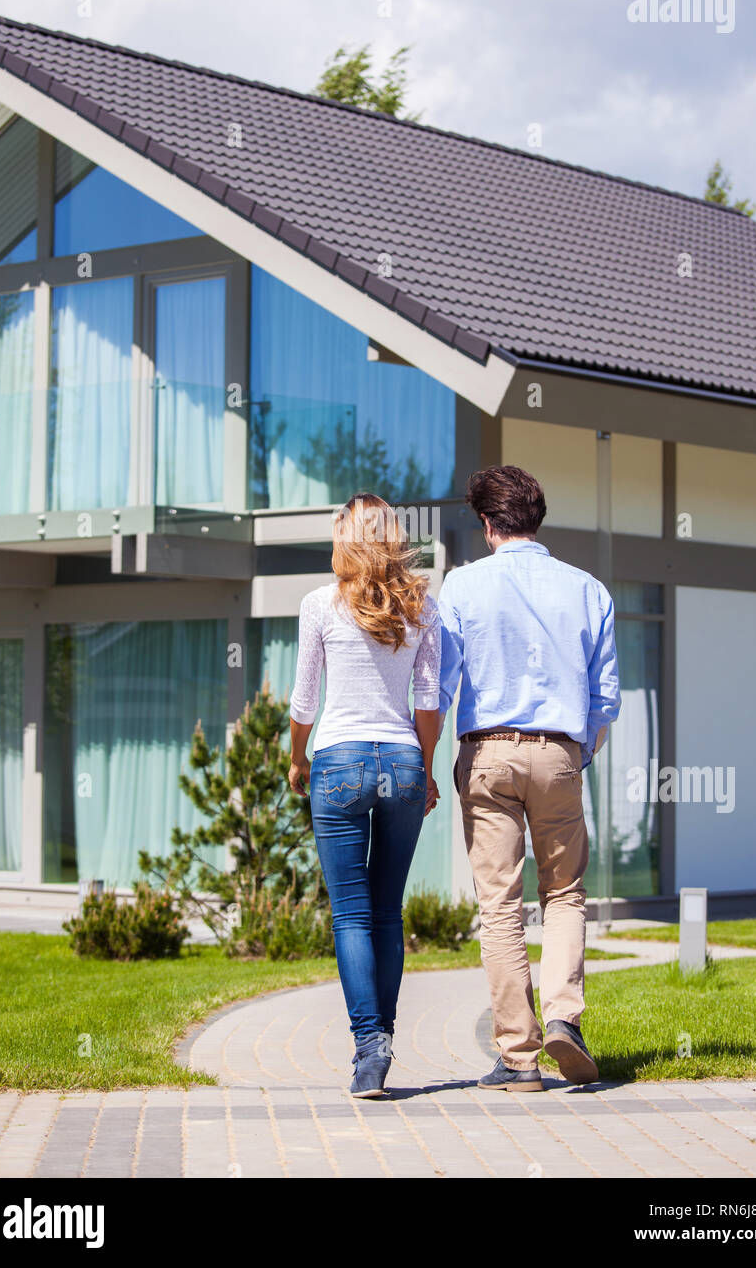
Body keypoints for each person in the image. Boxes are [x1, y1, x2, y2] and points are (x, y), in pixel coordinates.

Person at [439, 465, 621, 1091]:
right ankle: (565, 1018)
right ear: (536, 518)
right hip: (560, 752)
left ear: (489, 524)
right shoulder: (590, 590)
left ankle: (518, 1057)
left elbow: (439, 685)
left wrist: (429, 754)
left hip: (487, 751)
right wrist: (576, 756)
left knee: (500, 905)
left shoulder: (460, 588)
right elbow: (606, 698)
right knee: (564, 893)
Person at [288, 492, 441, 1098]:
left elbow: (305, 701)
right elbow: (427, 702)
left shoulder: (319, 604)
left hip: (341, 763)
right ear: (394, 537)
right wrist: (425, 771)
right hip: (401, 762)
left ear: (343, 539)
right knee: (387, 912)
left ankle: (369, 1050)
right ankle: (384, 1040)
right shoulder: (420, 609)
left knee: (351, 914)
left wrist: (297, 759)